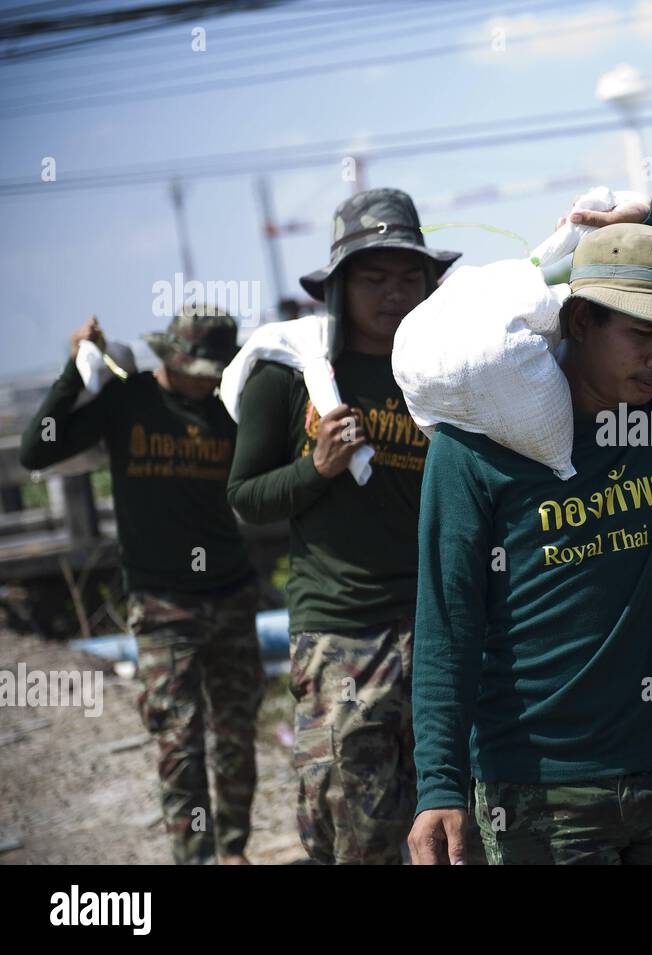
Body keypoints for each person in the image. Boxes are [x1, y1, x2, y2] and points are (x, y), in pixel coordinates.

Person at [407, 194, 652, 865]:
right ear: (581, 320)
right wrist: (439, 785)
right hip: (536, 785)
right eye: (641, 334)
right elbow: (448, 623)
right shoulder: (478, 444)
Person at [226, 187, 465, 865]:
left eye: (409, 277)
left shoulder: (446, 373)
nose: (394, 292)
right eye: (374, 277)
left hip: (441, 626)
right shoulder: (294, 377)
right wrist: (318, 467)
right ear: (338, 287)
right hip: (342, 634)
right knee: (353, 829)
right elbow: (245, 498)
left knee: (458, 825)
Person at [20, 306, 262, 865]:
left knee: (235, 734)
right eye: (195, 371)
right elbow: (37, 448)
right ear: (168, 356)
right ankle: (196, 858)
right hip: (159, 603)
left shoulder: (230, 407)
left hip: (231, 592)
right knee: (179, 739)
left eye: (213, 372)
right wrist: (74, 372)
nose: (203, 382)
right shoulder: (128, 402)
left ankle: (232, 850)